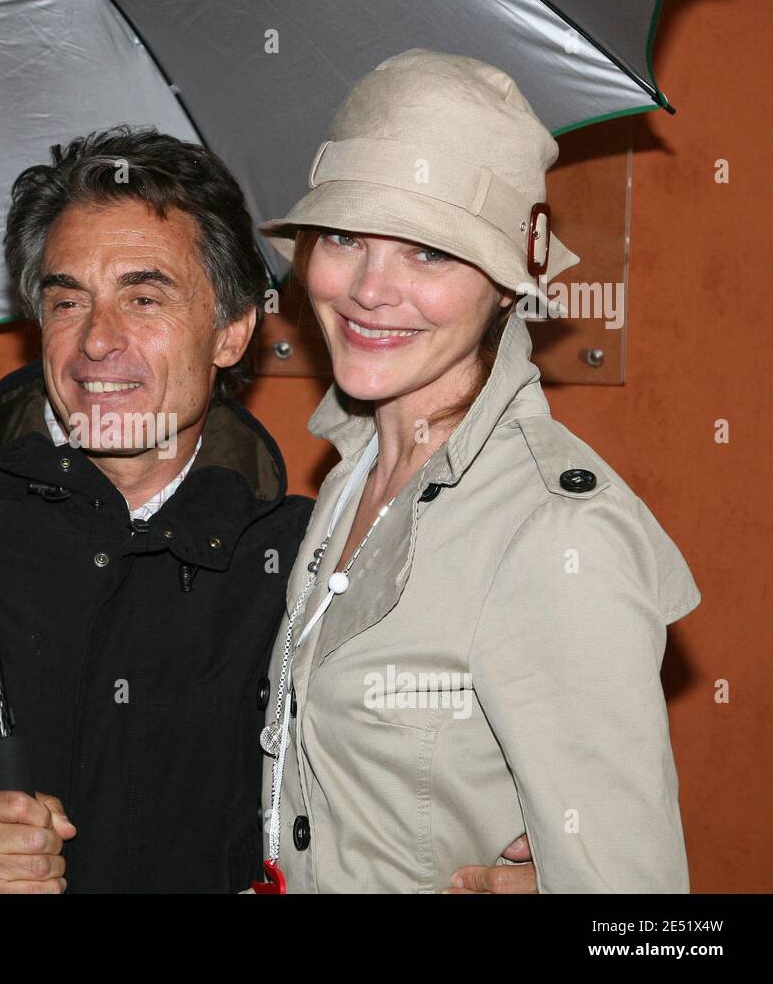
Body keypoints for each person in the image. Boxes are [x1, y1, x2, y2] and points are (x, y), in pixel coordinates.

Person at [0, 125, 534, 893]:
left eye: (144, 296)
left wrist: (506, 865)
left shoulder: (310, 565)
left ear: (234, 330)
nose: (96, 341)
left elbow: (388, 803)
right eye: (66, 300)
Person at [253, 49, 701, 893]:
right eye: (345, 235)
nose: (370, 289)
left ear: (506, 284)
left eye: (428, 252)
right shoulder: (348, 478)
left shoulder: (558, 533)